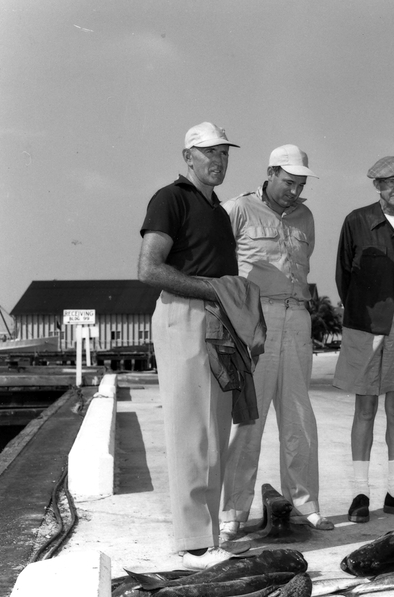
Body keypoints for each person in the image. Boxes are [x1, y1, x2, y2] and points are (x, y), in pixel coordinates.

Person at [138, 121, 246, 569]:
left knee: (215, 431)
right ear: (188, 157)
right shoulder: (170, 199)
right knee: (190, 431)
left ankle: (207, 537)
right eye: (208, 153)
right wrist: (211, 291)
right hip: (184, 315)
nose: (217, 161)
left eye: (223, 153)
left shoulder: (219, 211)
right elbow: (148, 269)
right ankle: (193, 544)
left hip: (217, 322)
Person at [219, 144, 333, 535]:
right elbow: (220, 265)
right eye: (288, 182)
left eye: (301, 185)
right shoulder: (237, 209)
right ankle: (233, 512)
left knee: (299, 417)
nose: (294, 192)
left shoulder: (306, 217)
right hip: (256, 319)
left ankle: (306, 504)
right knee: (248, 417)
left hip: (298, 317)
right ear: (270, 173)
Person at [333, 156, 394, 524]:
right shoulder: (356, 221)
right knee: (364, 410)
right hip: (365, 324)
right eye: (390, 182)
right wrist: (366, 312)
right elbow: (344, 276)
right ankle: (360, 493)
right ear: (377, 186)